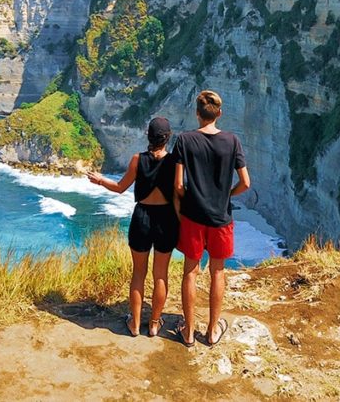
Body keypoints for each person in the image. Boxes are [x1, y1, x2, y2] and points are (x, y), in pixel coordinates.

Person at [87, 116, 179, 337]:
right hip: (166, 219)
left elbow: (120, 188)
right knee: (160, 275)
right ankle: (155, 324)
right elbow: (179, 191)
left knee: (138, 273)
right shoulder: (175, 162)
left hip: (142, 217)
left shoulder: (138, 159)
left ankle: (135, 324)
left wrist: (99, 180)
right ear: (168, 138)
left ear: (148, 136)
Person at [173, 90, 250, 347]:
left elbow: (179, 185)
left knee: (190, 272)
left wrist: (187, 202)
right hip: (221, 217)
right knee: (218, 272)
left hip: (193, 216)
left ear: (197, 114)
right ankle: (212, 330)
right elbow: (246, 183)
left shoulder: (184, 140)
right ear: (219, 113)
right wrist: (226, 196)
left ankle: (188, 332)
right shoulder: (232, 141)